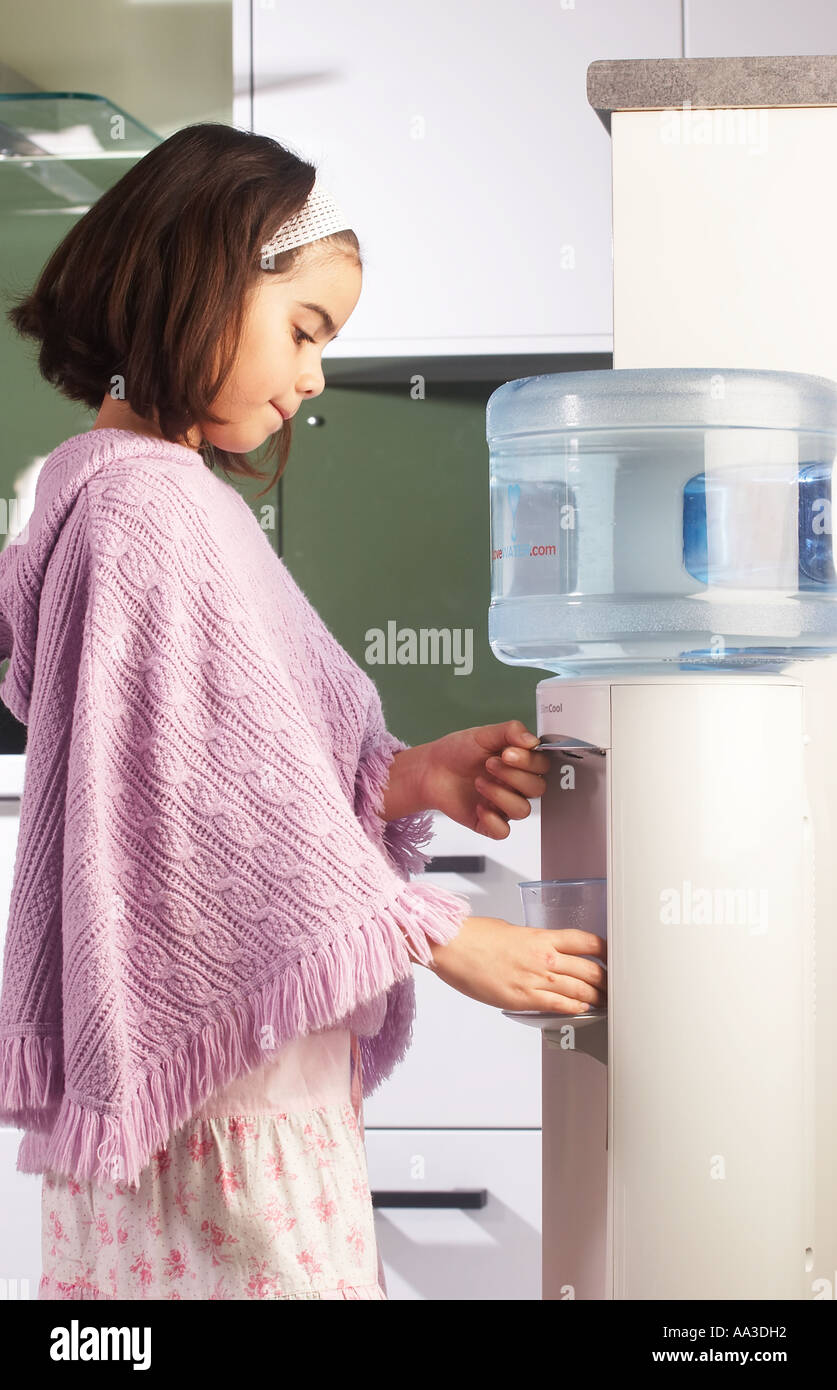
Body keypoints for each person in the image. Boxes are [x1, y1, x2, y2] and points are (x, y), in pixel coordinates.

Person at [0, 123, 607, 1300]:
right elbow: (216, 806)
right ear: (207, 277)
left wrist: (410, 776)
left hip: (227, 1101)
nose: (317, 377)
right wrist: (444, 933)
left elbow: (232, 755)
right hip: (221, 1125)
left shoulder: (137, 491)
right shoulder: (147, 514)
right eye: (306, 331)